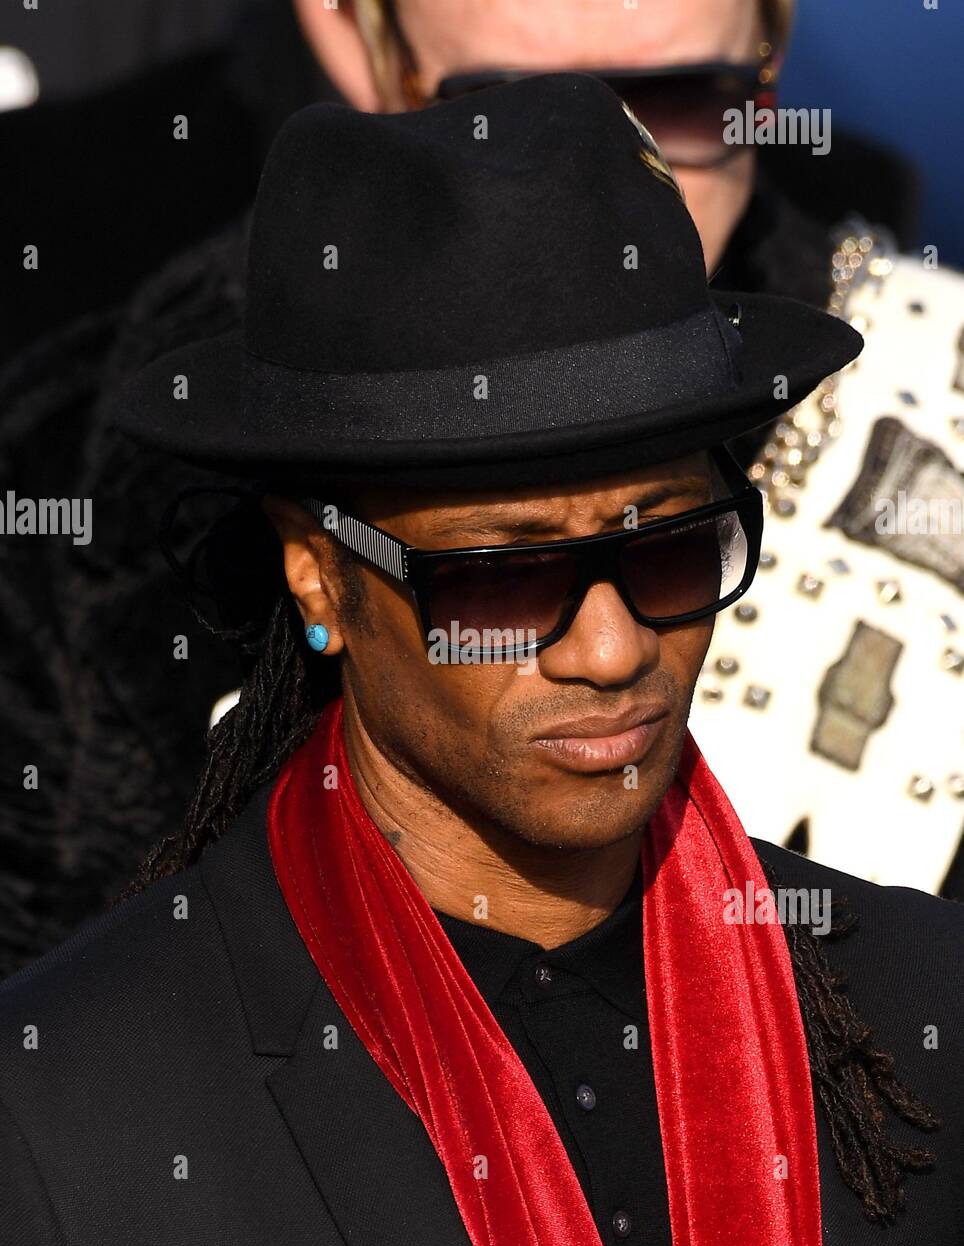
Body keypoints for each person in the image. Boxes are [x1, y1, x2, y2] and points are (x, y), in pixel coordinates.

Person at [1, 77, 961, 1246]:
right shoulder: (65, 1112)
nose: (611, 650)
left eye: (670, 547)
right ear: (318, 576)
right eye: (504, 583)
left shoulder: (927, 1004)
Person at [0, 0, 958, 985]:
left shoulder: (936, 384)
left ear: (770, 56)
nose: (599, 175)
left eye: (684, 102)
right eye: (510, 111)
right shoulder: (72, 471)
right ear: (357, 43)